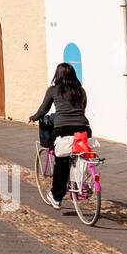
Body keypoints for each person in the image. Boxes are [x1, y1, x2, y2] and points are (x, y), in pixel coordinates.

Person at [29, 63, 89, 209]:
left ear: (58, 75)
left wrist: (34, 117)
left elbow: (43, 109)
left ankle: (56, 196)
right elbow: (83, 108)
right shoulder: (81, 91)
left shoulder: (53, 90)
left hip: (62, 129)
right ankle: (80, 184)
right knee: (80, 155)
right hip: (83, 129)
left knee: (61, 162)